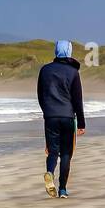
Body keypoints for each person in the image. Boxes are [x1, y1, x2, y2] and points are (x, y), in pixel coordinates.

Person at [36, 39, 86, 198]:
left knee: (52, 151)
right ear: (69, 52)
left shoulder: (45, 70)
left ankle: (49, 172)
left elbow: (40, 95)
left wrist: (47, 111)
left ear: (56, 52)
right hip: (67, 117)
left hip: (50, 116)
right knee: (66, 153)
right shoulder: (73, 72)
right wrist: (82, 123)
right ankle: (63, 189)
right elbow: (78, 99)